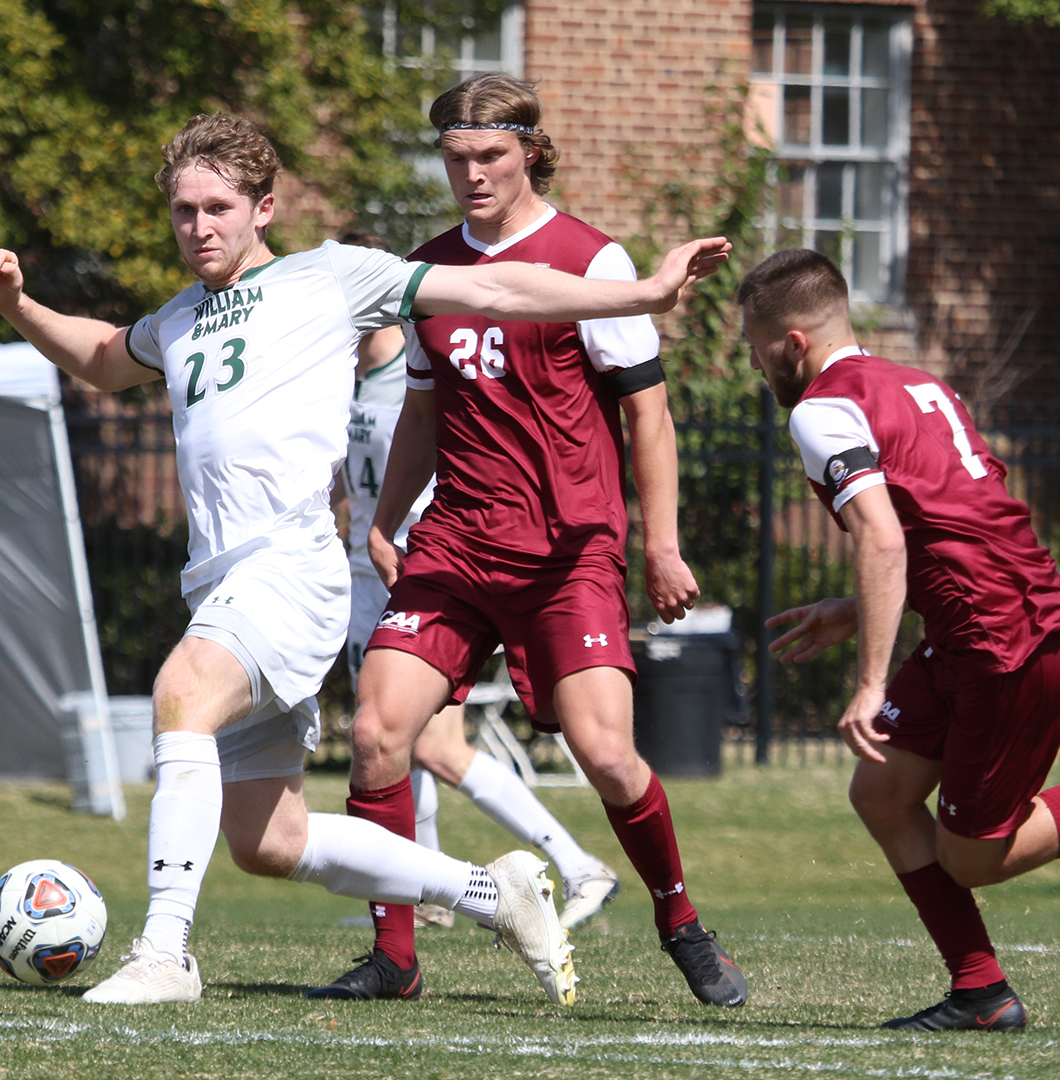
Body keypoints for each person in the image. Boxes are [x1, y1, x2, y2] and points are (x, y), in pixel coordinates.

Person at [0, 113, 730, 1006]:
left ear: (265, 208)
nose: (199, 226)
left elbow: (501, 293)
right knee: (267, 840)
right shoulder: (178, 319)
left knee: (182, 694)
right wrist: (15, 305)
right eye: (183, 211)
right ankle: (492, 892)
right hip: (221, 578)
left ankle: (165, 951)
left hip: (289, 567)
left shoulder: (328, 276)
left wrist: (642, 294)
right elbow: (99, 357)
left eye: (218, 207)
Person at [318, 75, 748, 1009]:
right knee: (377, 731)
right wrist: (386, 520)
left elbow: (649, 417)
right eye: (455, 157)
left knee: (607, 755)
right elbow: (422, 413)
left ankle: (682, 924)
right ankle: (395, 958)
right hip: (458, 546)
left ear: (530, 151)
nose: (471, 175)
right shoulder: (426, 273)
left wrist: (663, 547)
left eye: (491, 156)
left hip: (568, 554)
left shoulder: (593, 262)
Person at [742, 248, 1060, 1032]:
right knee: (881, 791)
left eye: (755, 347)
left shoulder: (818, 409)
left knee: (974, 857)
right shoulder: (917, 384)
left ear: (794, 343)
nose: (756, 366)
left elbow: (881, 539)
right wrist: (859, 607)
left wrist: (870, 679)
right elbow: (951, 527)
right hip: (985, 624)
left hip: (1002, 642)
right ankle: (981, 993)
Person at [330, 230, 621, 942]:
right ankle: (424, 884)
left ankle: (576, 863)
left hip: (432, 564)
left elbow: (448, 446)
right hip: (363, 567)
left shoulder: (412, 365)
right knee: (394, 742)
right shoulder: (350, 374)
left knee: (434, 746)